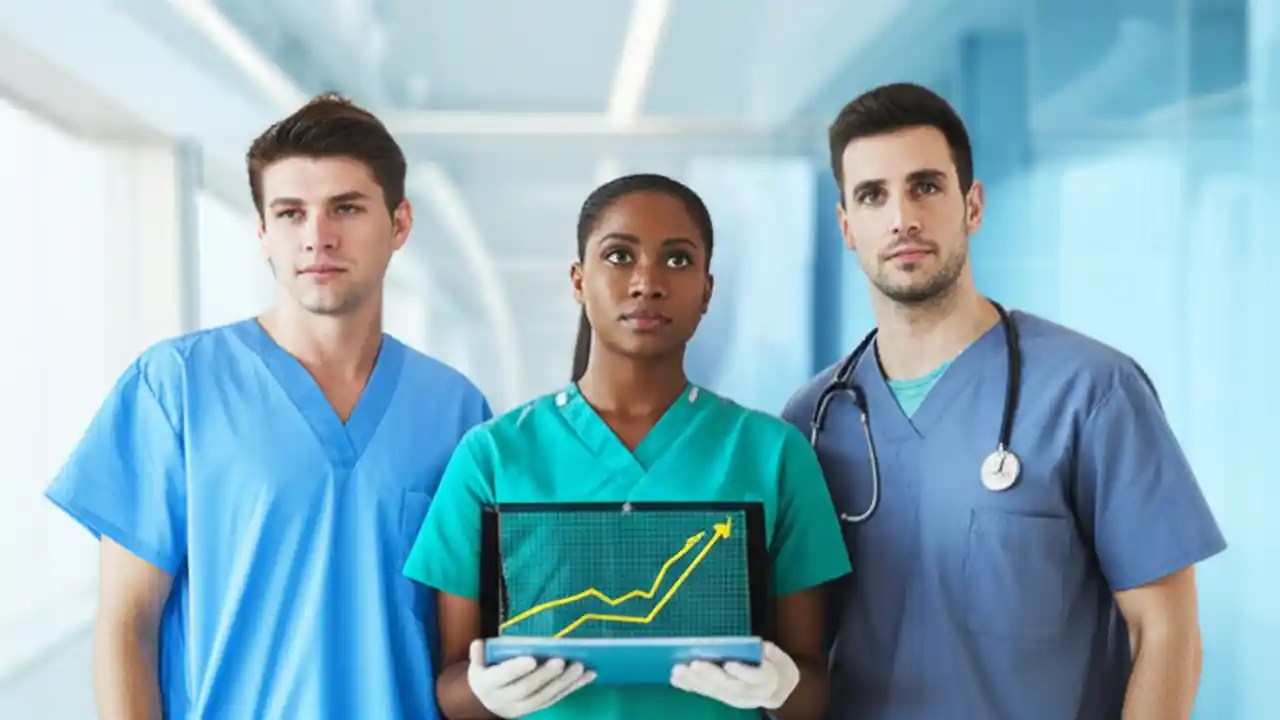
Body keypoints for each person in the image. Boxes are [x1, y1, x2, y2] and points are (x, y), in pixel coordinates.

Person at [781, 82, 1227, 719]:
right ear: (847, 226)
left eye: (926, 186)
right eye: (873, 195)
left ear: (973, 204)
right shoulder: (812, 422)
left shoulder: (1090, 393)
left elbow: (1166, 631)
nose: (901, 216)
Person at [44, 93, 489, 719]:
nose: (318, 237)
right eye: (290, 213)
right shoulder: (175, 387)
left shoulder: (456, 412)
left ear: (400, 224)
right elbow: (128, 625)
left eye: (347, 208)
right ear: (263, 233)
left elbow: (463, 656)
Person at [403, 174, 851, 719]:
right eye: (618, 256)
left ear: (708, 290)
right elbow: (453, 686)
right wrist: (484, 694)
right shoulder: (492, 459)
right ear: (577, 280)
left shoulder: (773, 455)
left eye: (678, 260)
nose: (647, 282)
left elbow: (810, 690)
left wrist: (778, 689)